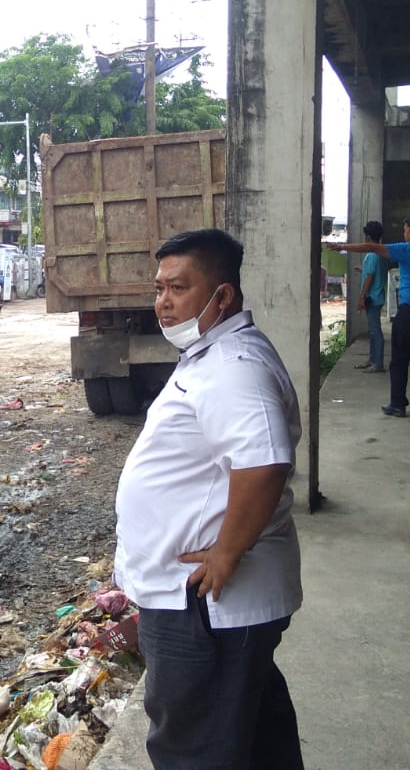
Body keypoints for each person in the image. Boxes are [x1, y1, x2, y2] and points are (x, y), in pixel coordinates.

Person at [114, 228, 303, 770]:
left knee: (193, 748)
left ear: (223, 295)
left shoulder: (232, 368)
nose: (163, 303)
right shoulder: (213, 353)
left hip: (204, 607)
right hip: (205, 607)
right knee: (251, 732)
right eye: (159, 289)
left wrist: (225, 553)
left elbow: (264, 462)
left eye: (179, 288)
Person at [337, 214, 410, 417]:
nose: (404, 234)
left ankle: (398, 403)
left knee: (400, 358)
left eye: (405, 230)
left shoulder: (407, 249)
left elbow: (372, 248)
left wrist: (343, 246)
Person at [353, 221, 390, 373]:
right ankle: (373, 359)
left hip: (372, 297)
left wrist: (362, 297)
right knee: (373, 330)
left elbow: (370, 276)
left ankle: (378, 362)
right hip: (378, 295)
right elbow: (375, 272)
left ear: (368, 237)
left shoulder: (371, 255)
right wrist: (362, 269)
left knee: (375, 331)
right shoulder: (382, 253)